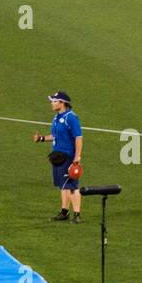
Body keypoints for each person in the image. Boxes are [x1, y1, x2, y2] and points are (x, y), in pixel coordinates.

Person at [33, 91, 83, 223]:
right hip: (57, 155)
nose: (52, 104)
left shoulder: (71, 118)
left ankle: (77, 214)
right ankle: (64, 212)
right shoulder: (56, 118)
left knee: (72, 186)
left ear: (63, 103)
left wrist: (77, 157)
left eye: (55, 101)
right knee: (63, 185)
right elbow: (55, 136)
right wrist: (42, 138)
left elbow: (78, 138)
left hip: (68, 156)